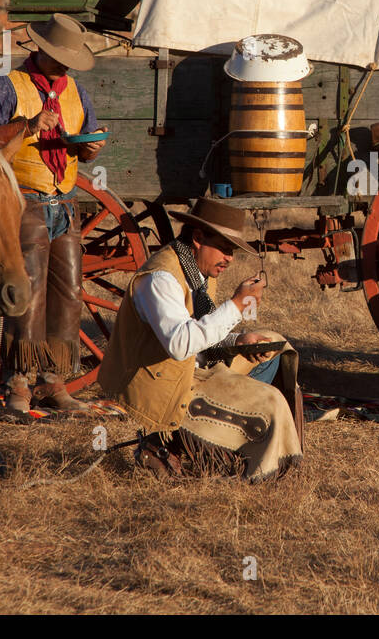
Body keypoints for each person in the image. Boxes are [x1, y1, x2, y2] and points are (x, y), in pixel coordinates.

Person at [98, 198, 302, 482]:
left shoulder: (197, 270)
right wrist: (236, 305)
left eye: (233, 251)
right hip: (163, 387)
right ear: (197, 238)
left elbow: (198, 333)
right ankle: (168, 442)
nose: (229, 258)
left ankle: (232, 435)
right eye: (225, 248)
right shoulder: (161, 279)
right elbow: (180, 345)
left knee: (274, 344)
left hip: (190, 367)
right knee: (272, 402)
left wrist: (238, 340)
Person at [0, 13, 107, 414]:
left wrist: (90, 149)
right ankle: (18, 383)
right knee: (25, 293)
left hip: (64, 204)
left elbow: (90, 134)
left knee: (68, 293)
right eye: (58, 55)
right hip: (23, 201)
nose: (64, 63)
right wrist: (27, 126)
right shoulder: (7, 87)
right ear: (40, 50)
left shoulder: (77, 93)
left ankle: (54, 381)